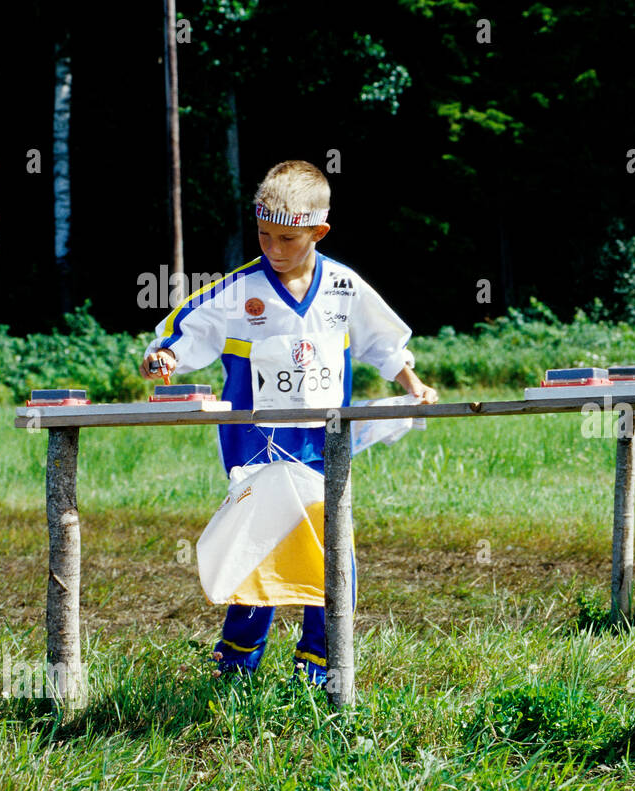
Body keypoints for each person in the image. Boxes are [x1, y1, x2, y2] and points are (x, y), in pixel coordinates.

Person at [140, 159, 438, 685]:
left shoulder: (345, 289)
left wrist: (414, 387)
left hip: (326, 448)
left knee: (331, 552)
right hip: (254, 451)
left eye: (287, 239)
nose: (273, 250)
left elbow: (385, 345)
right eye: (263, 236)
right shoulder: (236, 292)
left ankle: (322, 670)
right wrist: (161, 360)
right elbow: (176, 337)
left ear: (318, 231)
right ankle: (235, 667)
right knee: (262, 552)